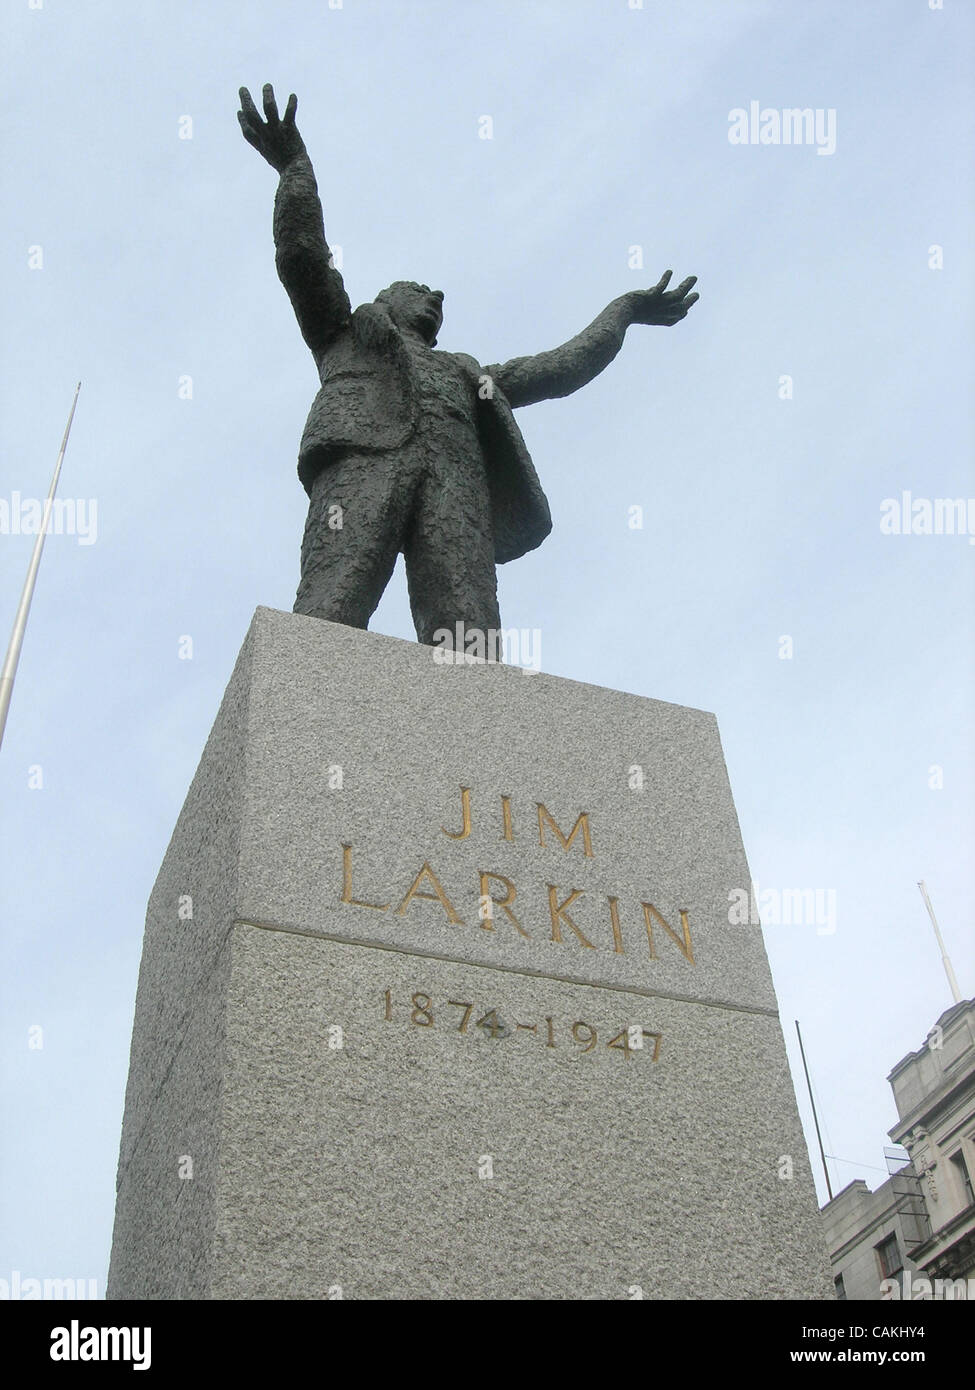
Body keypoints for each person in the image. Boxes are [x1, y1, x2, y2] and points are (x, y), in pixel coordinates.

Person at [238, 84, 699, 660]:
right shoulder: (345, 334)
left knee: (470, 643)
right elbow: (303, 255)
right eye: (420, 291)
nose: (434, 297)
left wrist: (624, 311)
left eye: (439, 298)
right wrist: (294, 169)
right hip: (365, 460)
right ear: (387, 300)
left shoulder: (468, 373)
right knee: (331, 607)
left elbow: (559, 368)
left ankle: (478, 738)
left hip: (455, 486)